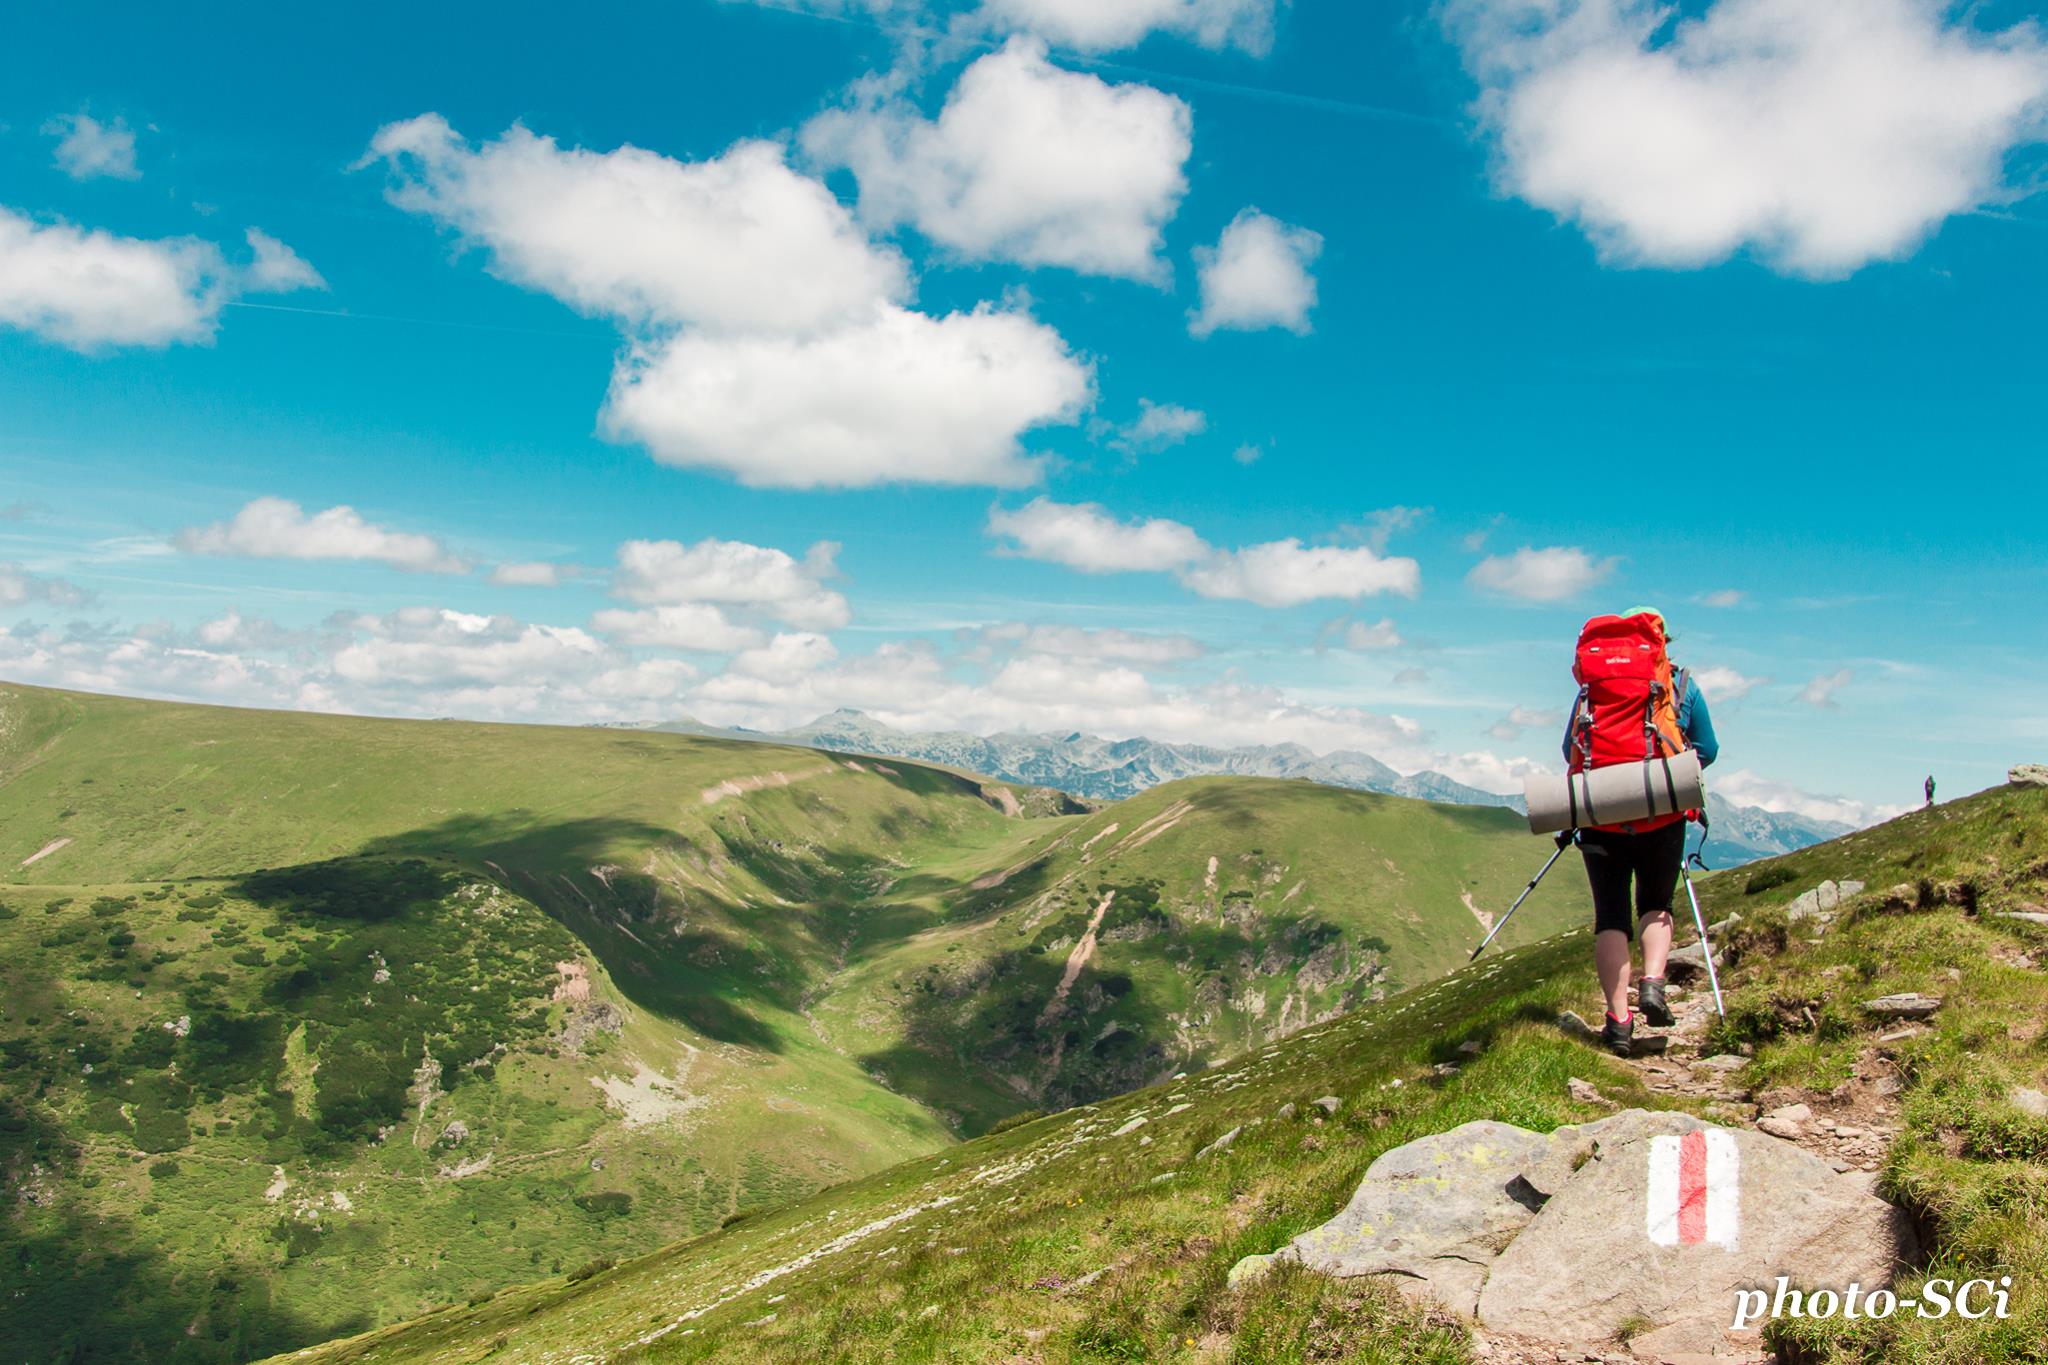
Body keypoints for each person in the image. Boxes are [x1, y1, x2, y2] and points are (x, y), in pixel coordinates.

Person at [1564, 606, 1718, 1057]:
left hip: (1600, 816)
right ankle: (1652, 982)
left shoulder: (1592, 690)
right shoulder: (1680, 685)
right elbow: (1708, 749)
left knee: (1611, 917)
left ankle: (1617, 1023)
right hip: (1662, 815)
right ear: (1660, 641)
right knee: (1655, 903)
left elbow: (1569, 748)